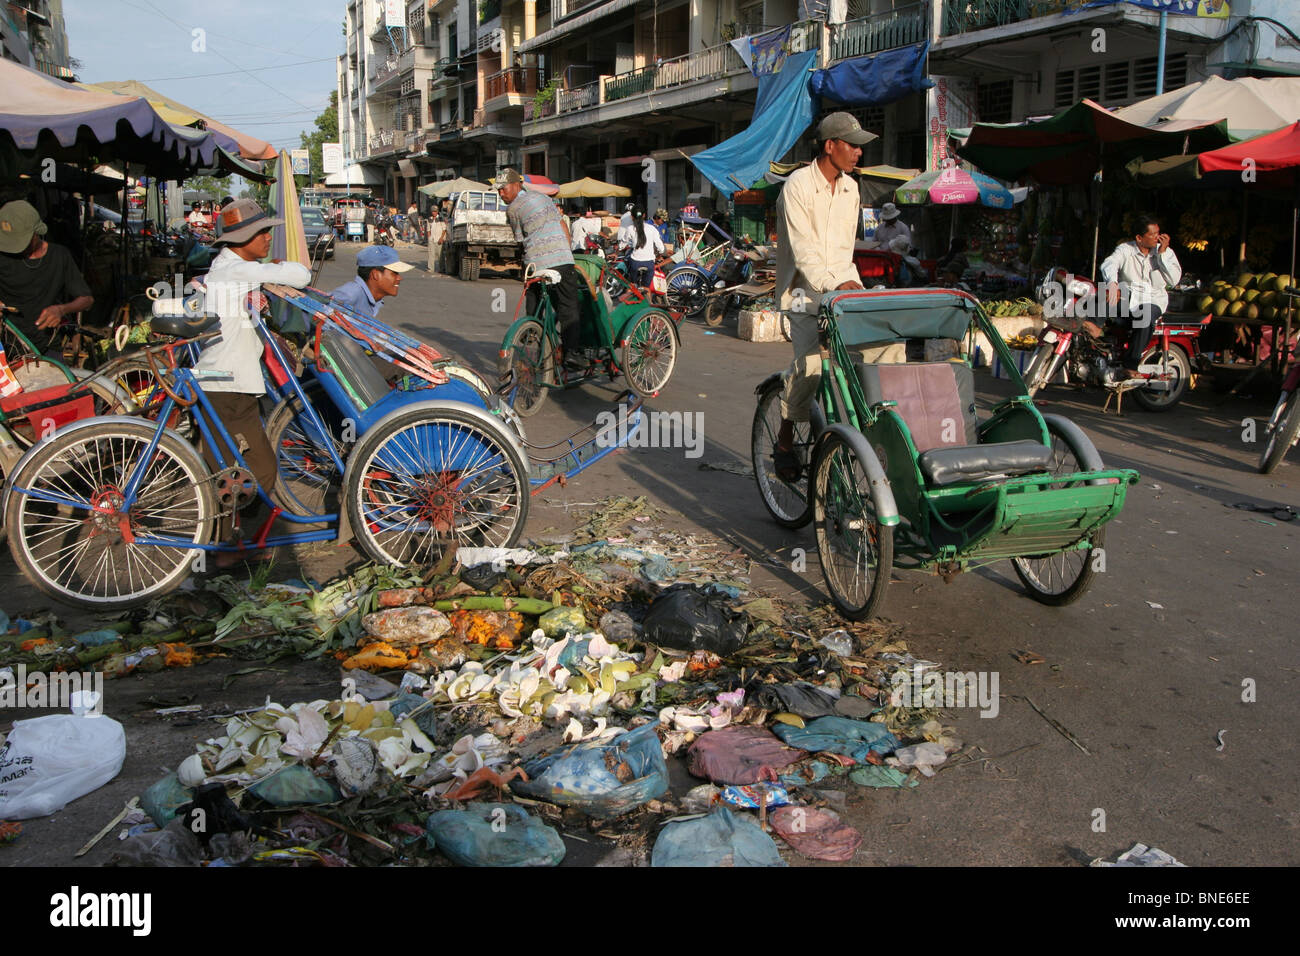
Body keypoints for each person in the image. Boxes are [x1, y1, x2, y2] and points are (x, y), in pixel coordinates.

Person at [195, 199, 310, 549]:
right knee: (248, 471)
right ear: (239, 240)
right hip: (225, 386)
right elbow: (301, 274)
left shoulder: (230, 268)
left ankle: (229, 542)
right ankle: (224, 546)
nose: (265, 239)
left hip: (231, 383)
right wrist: (273, 267)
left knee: (240, 468)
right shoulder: (235, 270)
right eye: (259, 233)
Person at [773, 112, 876, 481]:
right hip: (801, 292)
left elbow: (844, 251)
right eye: (852, 145)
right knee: (811, 367)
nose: (858, 153)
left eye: (860, 146)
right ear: (830, 145)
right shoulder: (797, 186)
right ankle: (785, 436)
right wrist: (833, 286)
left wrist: (855, 288)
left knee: (882, 351)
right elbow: (805, 253)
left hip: (841, 290)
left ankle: (876, 432)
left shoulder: (851, 190)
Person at [494, 168, 583, 366]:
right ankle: (570, 353)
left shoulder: (512, 210)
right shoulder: (544, 198)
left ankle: (531, 330)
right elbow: (562, 226)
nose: (501, 193)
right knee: (569, 308)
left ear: (517, 184)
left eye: (503, 189)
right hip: (561, 259)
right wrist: (566, 254)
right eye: (498, 190)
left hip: (535, 264)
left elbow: (520, 240)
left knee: (534, 300)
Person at [0, 200, 94, 356]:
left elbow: (87, 299)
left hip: (46, 345)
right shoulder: (3, 255)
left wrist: (61, 309)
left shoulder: (59, 255)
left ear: (36, 232)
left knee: (64, 379)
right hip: (6, 343)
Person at [1099, 213, 1181, 379]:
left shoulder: (1166, 252)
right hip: (1128, 300)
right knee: (1099, 299)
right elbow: (1110, 263)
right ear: (1139, 238)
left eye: (1158, 233)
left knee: (1145, 315)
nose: (1157, 237)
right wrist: (1112, 283)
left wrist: (1162, 254)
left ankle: (1130, 365)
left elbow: (1174, 280)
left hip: (1153, 301)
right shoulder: (1125, 249)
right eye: (1152, 234)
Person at [329, 244, 414, 320]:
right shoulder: (350, 294)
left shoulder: (375, 300)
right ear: (375, 274)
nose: (399, 278)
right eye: (394, 273)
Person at [618, 206, 665, 288]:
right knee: (647, 289)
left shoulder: (630, 229)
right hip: (649, 263)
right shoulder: (652, 228)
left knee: (632, 286)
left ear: (632, 217)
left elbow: (623, 244)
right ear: (644, 215)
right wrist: (659, 254)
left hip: (635, 263)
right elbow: (661, 248)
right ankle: (648, 300)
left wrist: (619, 248)